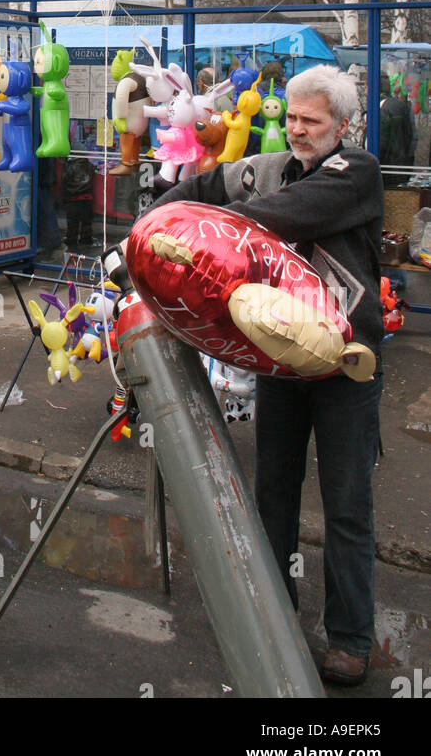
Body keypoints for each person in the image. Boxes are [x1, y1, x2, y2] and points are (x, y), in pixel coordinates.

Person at [119, 64, 384, 686]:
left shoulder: (357, 173)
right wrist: (149, 228)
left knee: (347, 505)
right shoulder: (266, 166)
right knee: (273, 496)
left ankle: (350, 638)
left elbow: (286, 215)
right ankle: (276, 614)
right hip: (280, 362)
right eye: (290, 117)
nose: (296, 130)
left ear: (341, 126)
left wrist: (214, 230)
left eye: (311, 121)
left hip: (347, 367)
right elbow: (202, 186)